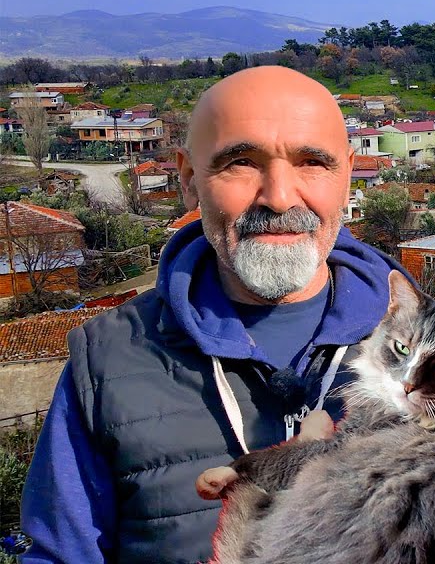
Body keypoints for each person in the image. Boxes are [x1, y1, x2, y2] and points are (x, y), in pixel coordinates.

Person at [20, 66, 408, 564]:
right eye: (241, 163)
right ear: (188, 179)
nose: (280, 197)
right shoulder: (107, 361)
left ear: (347, 176)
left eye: (312, 162)